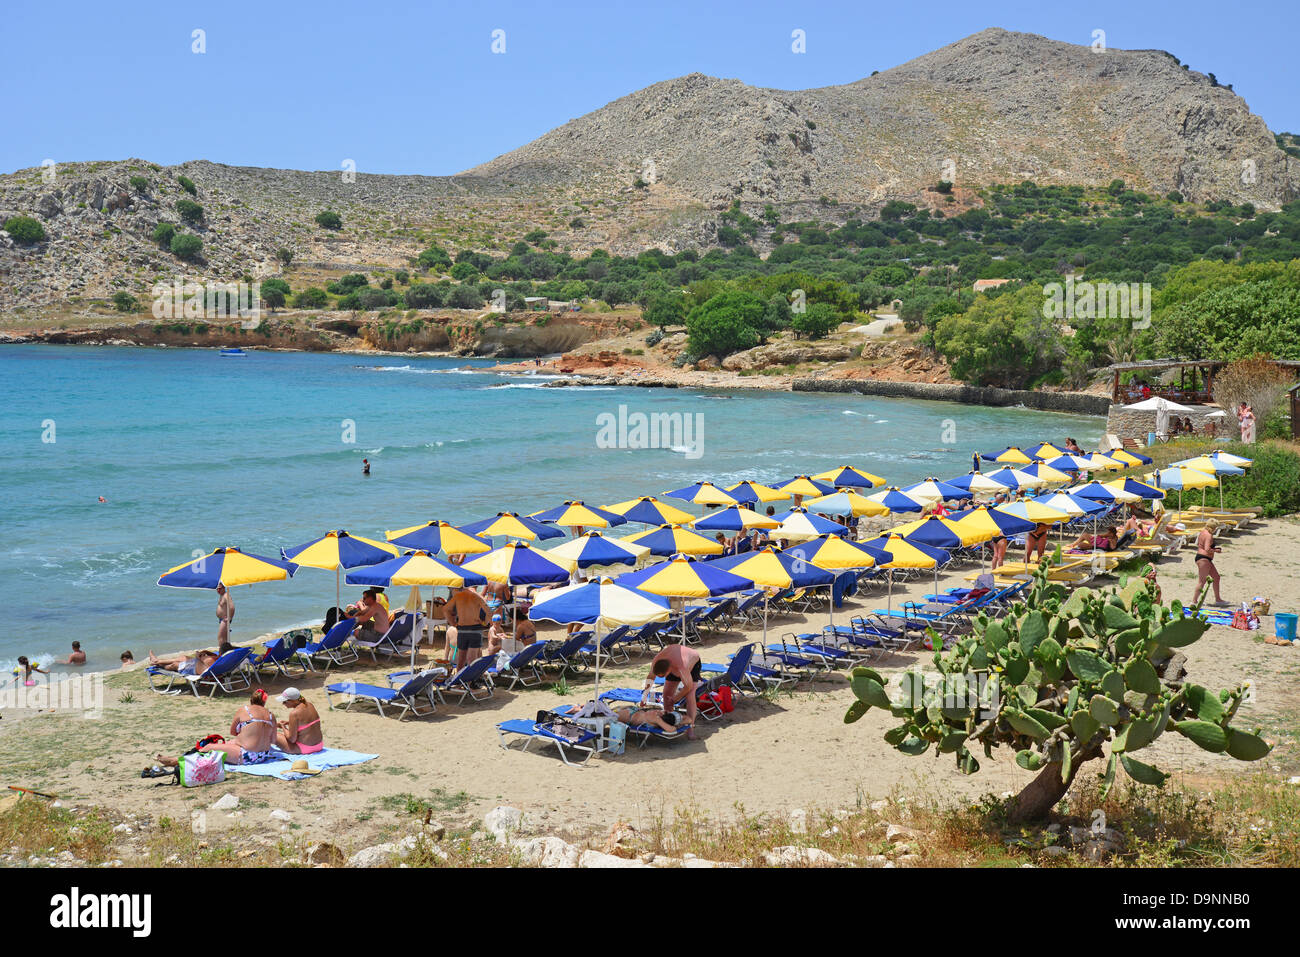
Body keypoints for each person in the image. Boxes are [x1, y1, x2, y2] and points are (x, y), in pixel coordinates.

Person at [156, 689, 278, 768]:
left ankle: (175, 761)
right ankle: (182, 757)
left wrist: (244, 734)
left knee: (209, 747)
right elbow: (272, 740)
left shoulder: (244, 710)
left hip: (248, 756)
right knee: (230, 743)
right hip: (264, 755)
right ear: (264, 703)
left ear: (251, 700)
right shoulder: (271, 715)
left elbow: (232, 732)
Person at [642, 645, 701, 739]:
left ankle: (690, 730)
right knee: (666, 696)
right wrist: (644, 696)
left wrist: (676, 698)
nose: (661, 678)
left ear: (669, 670)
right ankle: (669, 721)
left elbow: (688, 686)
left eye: (662, 676)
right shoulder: (657, 661)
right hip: (672, 660)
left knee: (690, 697)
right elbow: (650, 678)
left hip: (692, 662)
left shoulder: (682, 666)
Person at [445, 585, 489, 669]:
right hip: (473, 629)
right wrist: (484, 623)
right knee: (474, 654)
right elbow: (488, 611)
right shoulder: (476, 596)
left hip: (453, 660)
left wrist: (453, 623)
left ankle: (459, 678)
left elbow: (447, 649)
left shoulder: (450, 631)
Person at [275, 687, 324, 755]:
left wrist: (283, 726)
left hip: (305, 748)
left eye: (285, 701)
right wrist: (290, 723)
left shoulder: (294, 713)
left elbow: (291, 739)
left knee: (273, 735)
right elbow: (308, 722)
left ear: (293, 701)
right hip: (319, 745)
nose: (283, 704)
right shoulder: (310, 705)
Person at [1193, 521, 1228, 605]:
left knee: (1216, 577)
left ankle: (1218, 599)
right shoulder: (1209, 535)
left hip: (1203, 558)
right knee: (1202, 581)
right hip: (1204, 559)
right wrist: (1216, 550)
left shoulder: (1202, 532)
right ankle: (1194, 601)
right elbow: (1207, 549)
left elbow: (1200, 544)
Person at [613, 705, 683, 733]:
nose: (658, 711)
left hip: (630, 715)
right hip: (634, 710)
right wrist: (677, 726)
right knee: (610, 712)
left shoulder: (657, 719)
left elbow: (671, 729)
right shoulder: (659, 717)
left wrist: (676, 727)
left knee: (608, 714)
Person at [147, 648, 218, 676]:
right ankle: (157, 661)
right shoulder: (220, 660)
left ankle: (158, 663)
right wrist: (205, 653)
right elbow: (202, 660)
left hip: (192, 669)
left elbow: (198, 657)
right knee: (183, 658)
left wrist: (198, 654)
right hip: (194, 665)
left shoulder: (210, 660)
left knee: (175, 664)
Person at [215, 583, 234, 648]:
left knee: (220, 637)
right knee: (225, 639)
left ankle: (221, 653)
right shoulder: (222, 595)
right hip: (222, 619)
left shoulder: (226, 595)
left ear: (224, 588)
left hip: (225, 620)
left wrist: (229, 618)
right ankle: (226, 652)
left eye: (220, 588)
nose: (218, 590)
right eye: (217, 589)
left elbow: (232, 607)